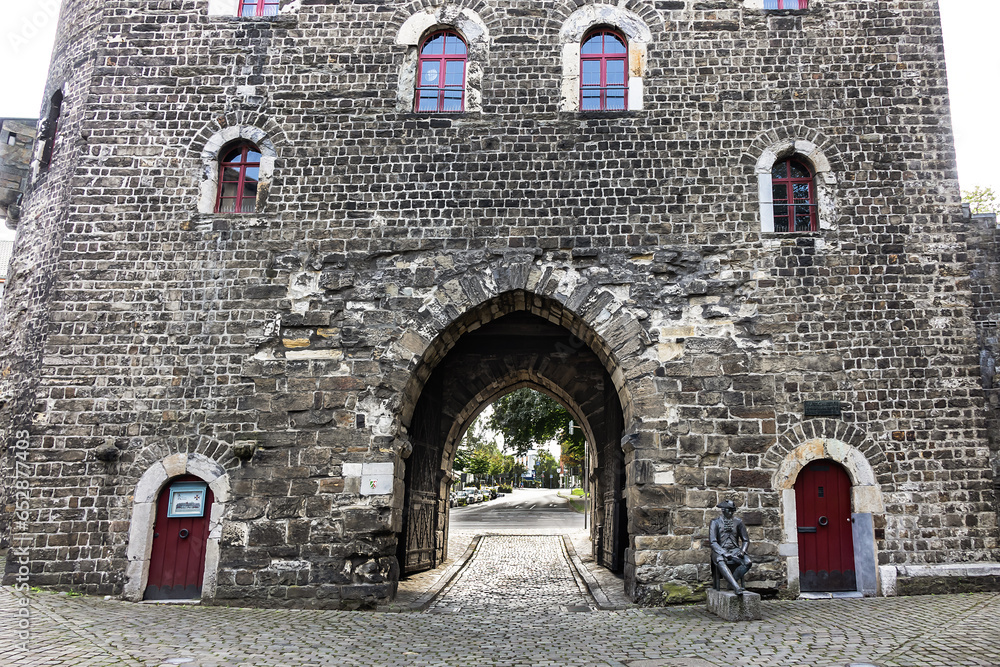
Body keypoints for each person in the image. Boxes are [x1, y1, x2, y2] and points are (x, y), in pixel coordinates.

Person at [709, 499, 752, 594]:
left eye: (733, 510)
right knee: (720, 560)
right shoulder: (715, 522)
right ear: (723, 510)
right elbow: (713, 542)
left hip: (735, 549)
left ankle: (731, 583)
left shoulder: (738, 522)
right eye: (729, 510)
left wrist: (742, 551)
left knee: (748, 562)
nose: (731, 512)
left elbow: (745, 540)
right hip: (719, 550)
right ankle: (736, 587)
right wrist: (724, 553)